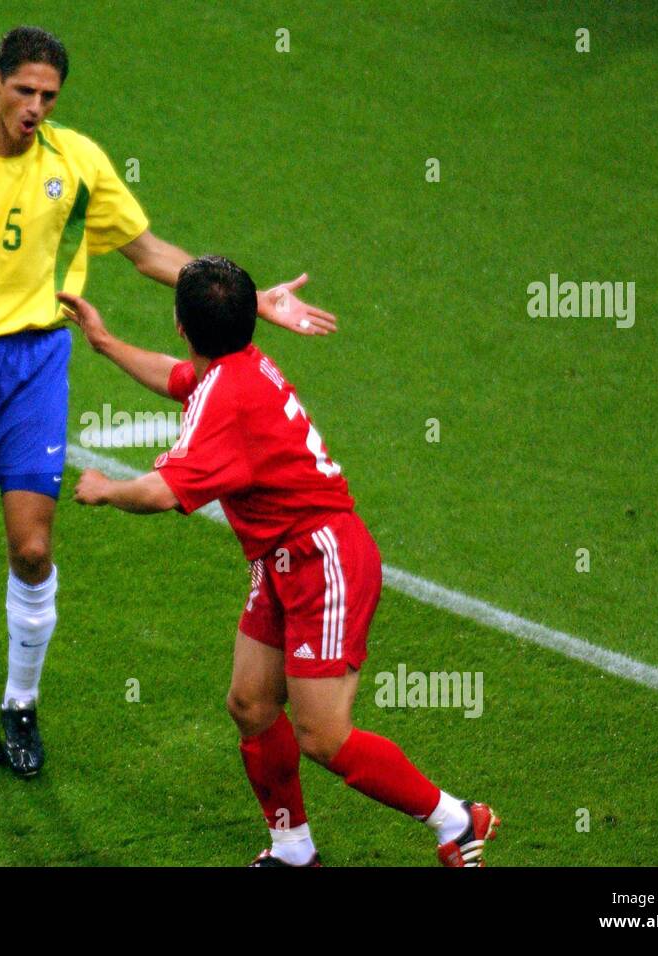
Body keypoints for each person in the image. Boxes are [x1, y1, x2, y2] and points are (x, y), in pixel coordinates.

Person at [0, 27, 336, 778]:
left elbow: (147, 252)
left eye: (48, 96)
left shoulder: (77, 164)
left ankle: (21, 702)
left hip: (38, 360)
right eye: (24, 91)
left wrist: (244, 291)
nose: (35, 107)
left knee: (34, 547)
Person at [61, 256, 500, 866]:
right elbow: (174, 377)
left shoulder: (227, 400)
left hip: (325, 562)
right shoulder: (234, 368)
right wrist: (104, 342)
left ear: (181, 325)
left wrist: (107, 489)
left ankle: (458, 820)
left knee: (323, 736)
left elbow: (164, 493)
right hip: (282, 559)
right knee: (251, 704)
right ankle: (294, 851)